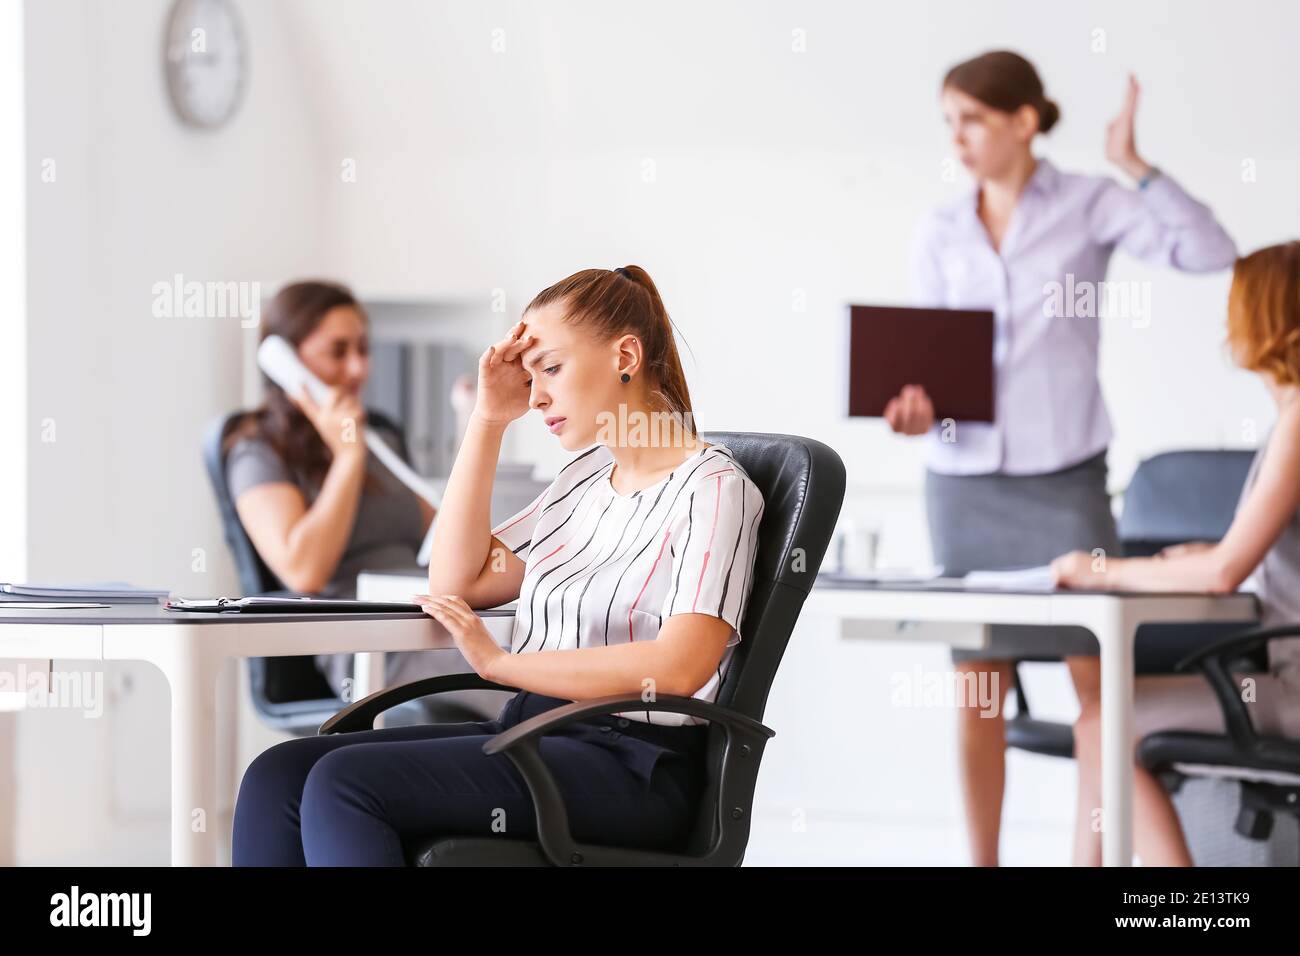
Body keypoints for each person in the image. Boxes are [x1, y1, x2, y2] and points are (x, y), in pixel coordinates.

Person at [231, 265, 765, 865]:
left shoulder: (713, 488)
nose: (535, 396)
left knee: (344, 785)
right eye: (530, 376)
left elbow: (679, 666)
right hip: (536, 736)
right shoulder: (582, 481)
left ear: (626, 355)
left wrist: (503, 664)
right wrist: (488, 421)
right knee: (276, 776)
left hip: (633, 763)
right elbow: (456, 581)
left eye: (552, 370)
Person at [886, 50, 1237, 865]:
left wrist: (1135, 165)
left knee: (1098, 693)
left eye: (972, 118)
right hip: (963, 483)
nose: (959, 137)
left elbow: (1211, 249)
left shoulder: (1090, 202)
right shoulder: (940, 228)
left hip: (1066, 483)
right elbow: (926, 362)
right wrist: (913, 411)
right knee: (978, 693)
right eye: (949, 121)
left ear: (1024, 120)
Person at [1053, 242, 1300, 866]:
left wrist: (1101, 569)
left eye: (1235, 306)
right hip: (1279, 675)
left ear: (1265, 318)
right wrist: (1205, 553)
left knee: (1102, 724)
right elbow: (1241, 556)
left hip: (1290, 689)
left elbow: (1224, 574)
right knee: (1101, 720)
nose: (1226, 322)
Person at [225, 280, 493, 721]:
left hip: (436, 620)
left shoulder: (382, 436)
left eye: (363, 349)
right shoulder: (257, 450)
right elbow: (305, 570)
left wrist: (475, 432)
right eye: (338, 351)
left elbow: (446, 534)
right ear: (286, 360)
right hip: (371, 645)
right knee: (514, 687)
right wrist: (348, 455)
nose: (358, 368)